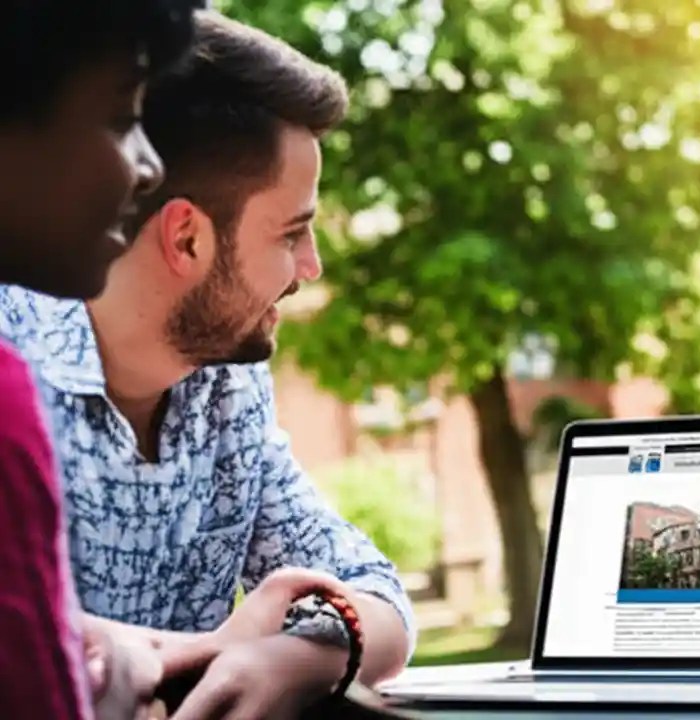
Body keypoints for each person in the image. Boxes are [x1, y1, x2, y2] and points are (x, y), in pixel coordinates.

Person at [0, 11, 415, 718]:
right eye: (293, 232)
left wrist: (281, 658)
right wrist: (197, 653)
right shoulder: (15, 376)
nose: (313, 268)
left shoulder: (224, 386)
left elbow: (376, 595)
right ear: (186, 238)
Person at [0, 1, 198, 718]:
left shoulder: (229, 391)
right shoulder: (6, 395)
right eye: (121, 116)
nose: (150, 168)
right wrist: (112, 693)